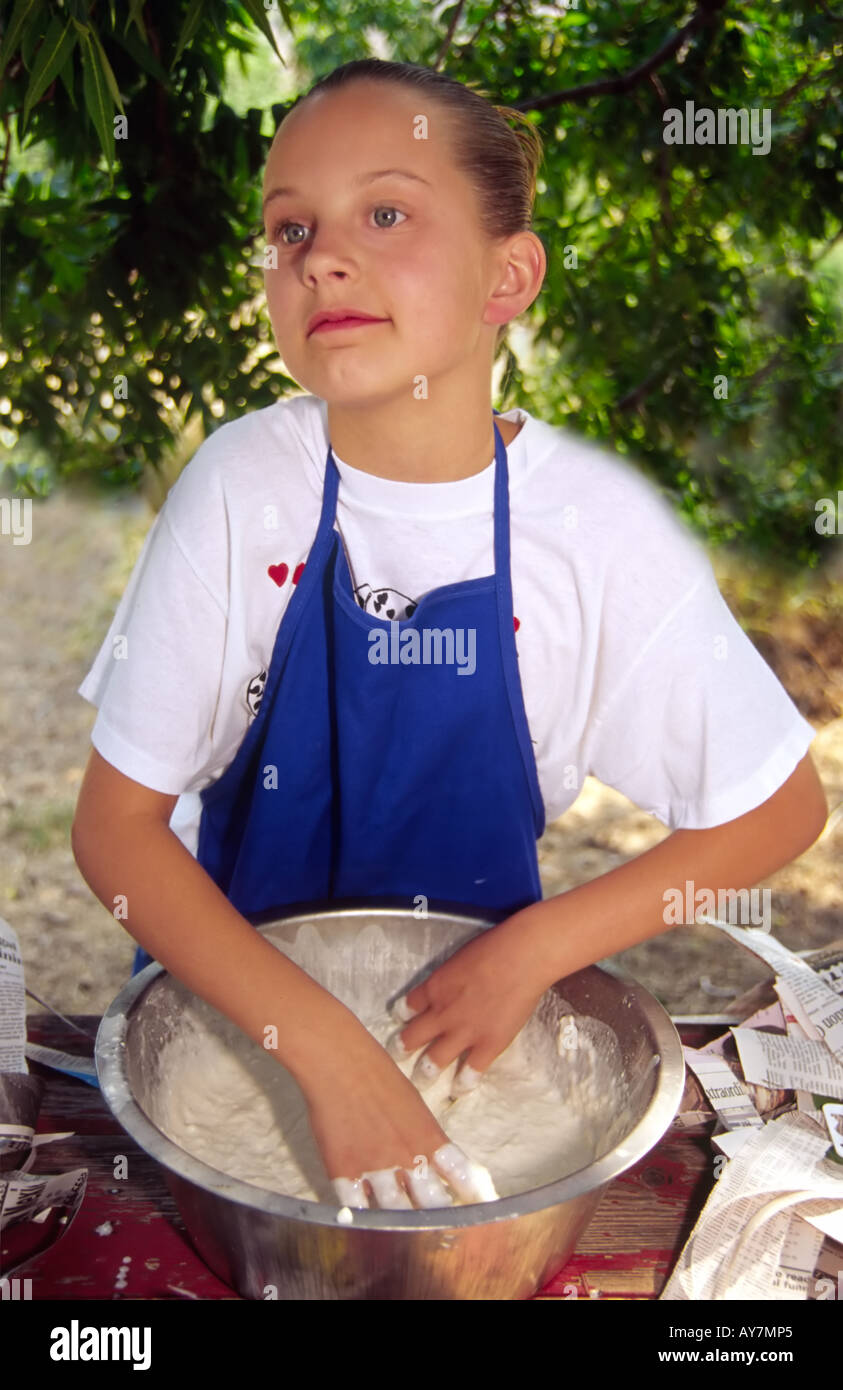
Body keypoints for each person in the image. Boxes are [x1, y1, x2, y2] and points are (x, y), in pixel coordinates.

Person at [72, 59, 828, 1211]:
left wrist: (534, 953)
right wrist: (325, 1051)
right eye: (291, 229)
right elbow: (116, 833)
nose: (322, 254)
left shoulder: (593, 528)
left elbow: (780, 808)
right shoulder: (242, 493)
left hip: (482, 1029)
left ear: (506, 277)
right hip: (228, 1027)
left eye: (387, 212)